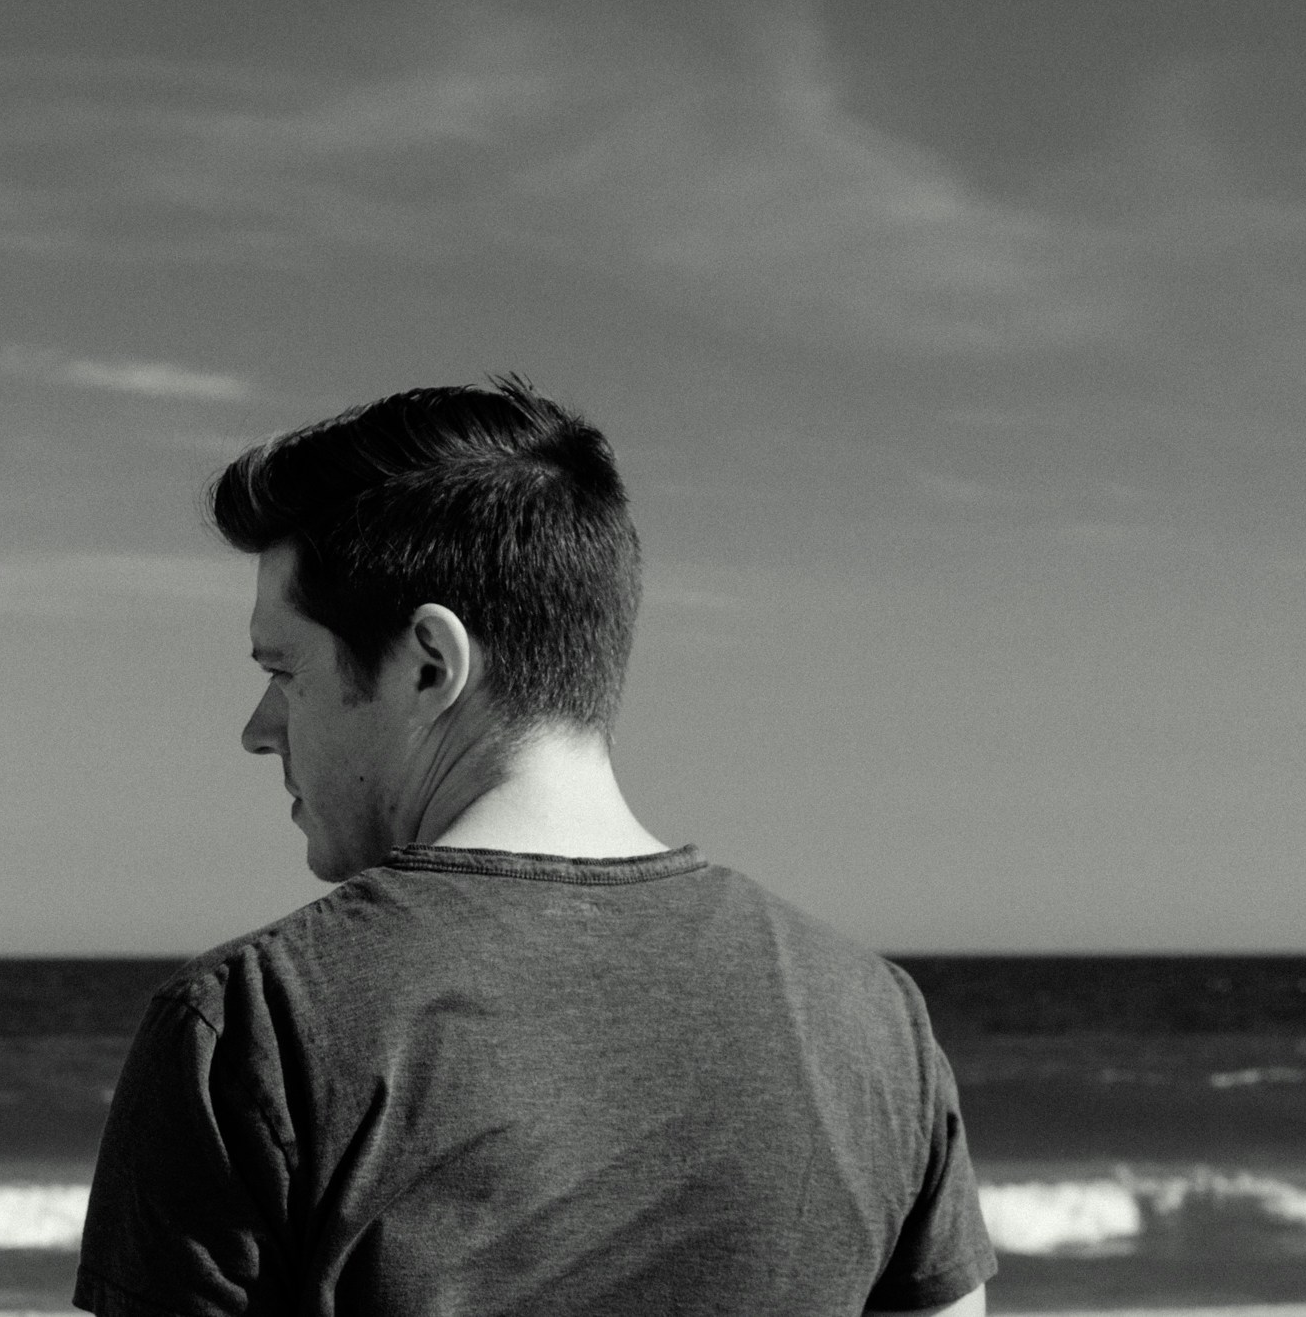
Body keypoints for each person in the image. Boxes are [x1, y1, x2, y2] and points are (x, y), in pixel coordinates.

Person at [75, 377, 995, 1317]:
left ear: (430, 664)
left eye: (282, 669)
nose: (259, 729)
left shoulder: (257, 1025)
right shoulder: (875, 1020)